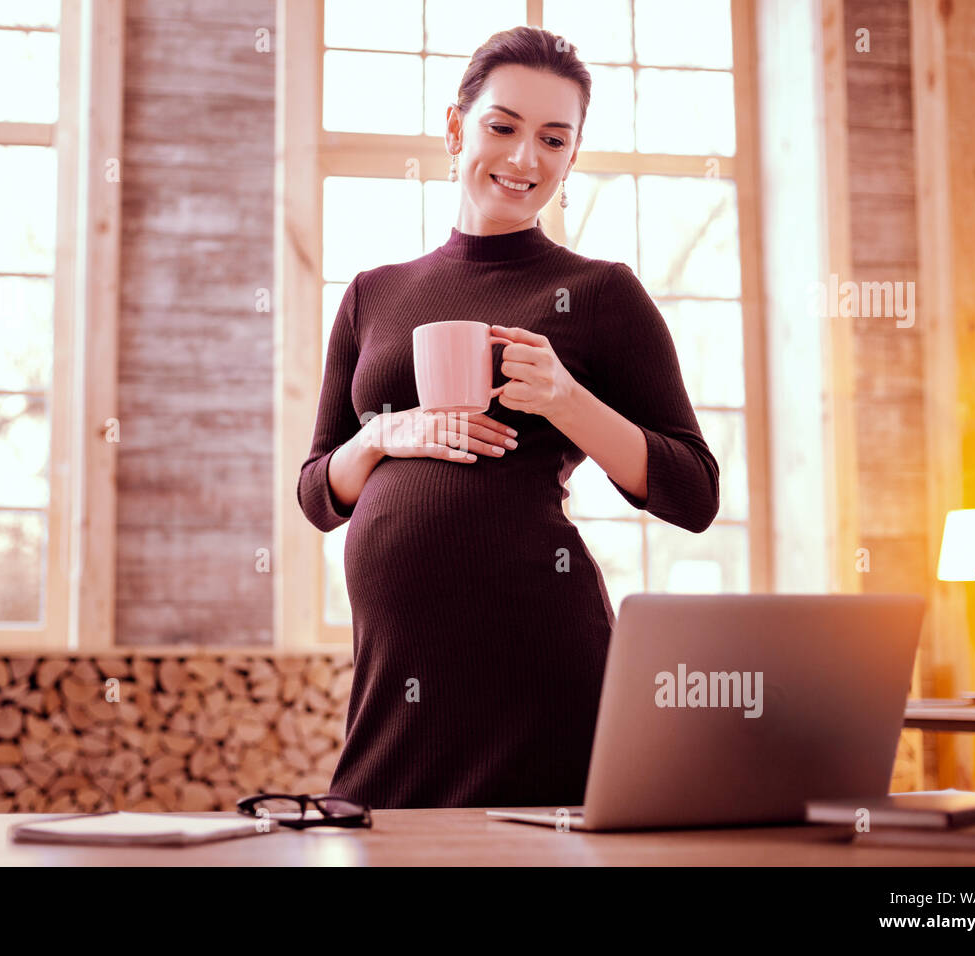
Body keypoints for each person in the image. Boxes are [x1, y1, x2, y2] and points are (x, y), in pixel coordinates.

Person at [296, 25, 721, 809]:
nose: (526, 159)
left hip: (541, 656)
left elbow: (694, 494)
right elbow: (317, 493)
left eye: (554, 139)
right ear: (456, 129)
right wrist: (386, 433)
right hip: (397, 678)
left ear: (572, 155)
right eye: (503, 127)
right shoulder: (373, 294)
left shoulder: (600, 294)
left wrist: (567, 400)